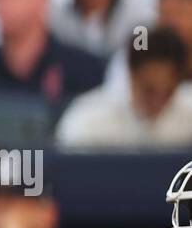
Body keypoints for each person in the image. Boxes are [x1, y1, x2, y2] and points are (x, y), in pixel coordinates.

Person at [56, 27, 192, 148]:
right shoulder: (87, 121)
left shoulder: (188, 113)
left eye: (167, 92)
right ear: (132, 75)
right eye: (149, 90)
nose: (157, 100)